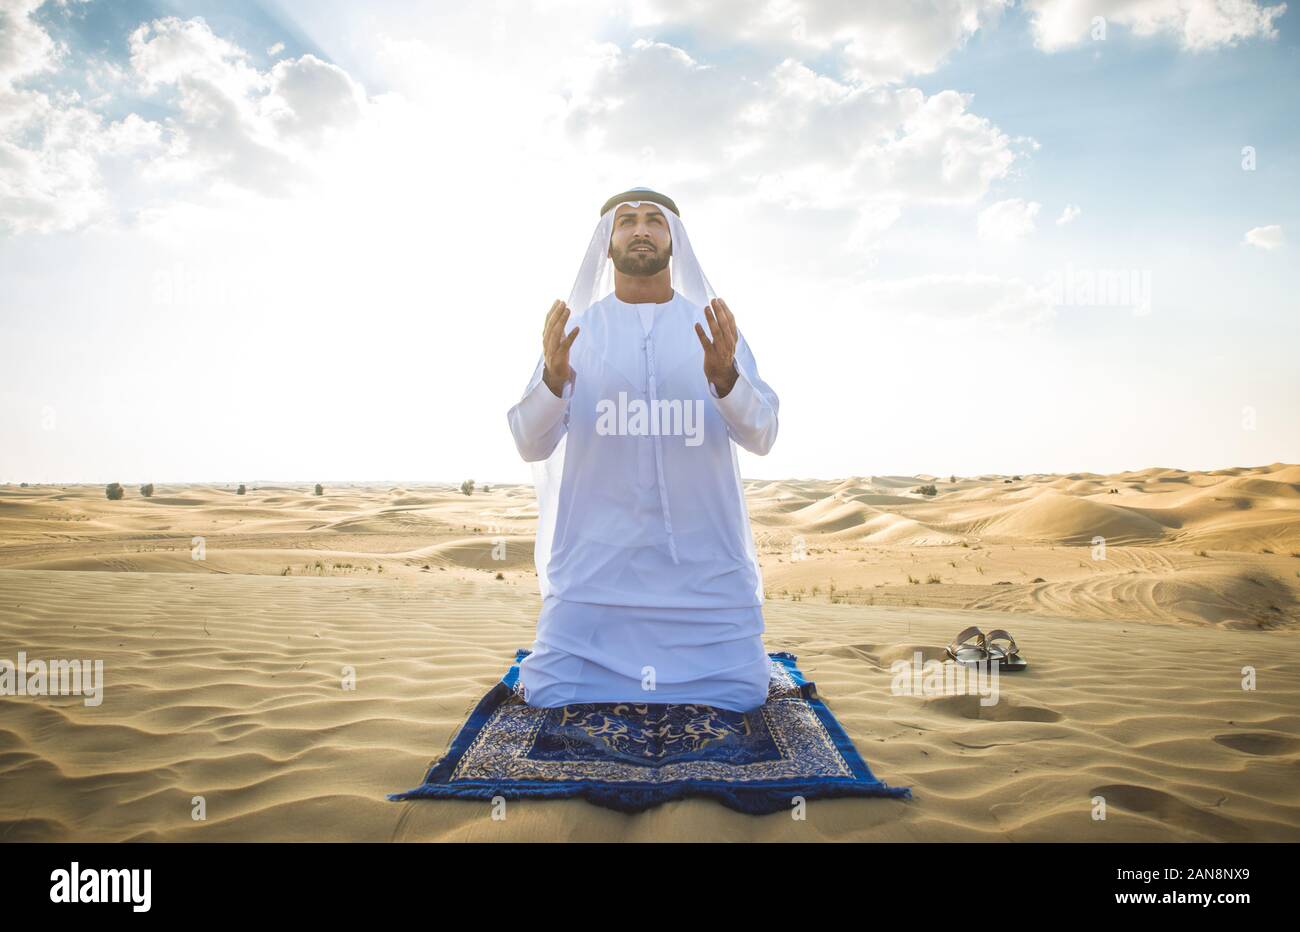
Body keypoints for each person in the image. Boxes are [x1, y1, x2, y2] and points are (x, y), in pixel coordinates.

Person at [506, 186, 780, 712]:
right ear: (607, 243)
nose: (640, 229)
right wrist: (553, 379)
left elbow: (762, 435)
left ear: (674, 240)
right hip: (596, 579)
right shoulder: (575, 333)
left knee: (743, 694)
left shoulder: (716, 329)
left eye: (655, 221)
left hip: (705, 583)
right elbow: (528, 443)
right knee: (549, 692)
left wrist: (726, 379)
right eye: (626, 221)